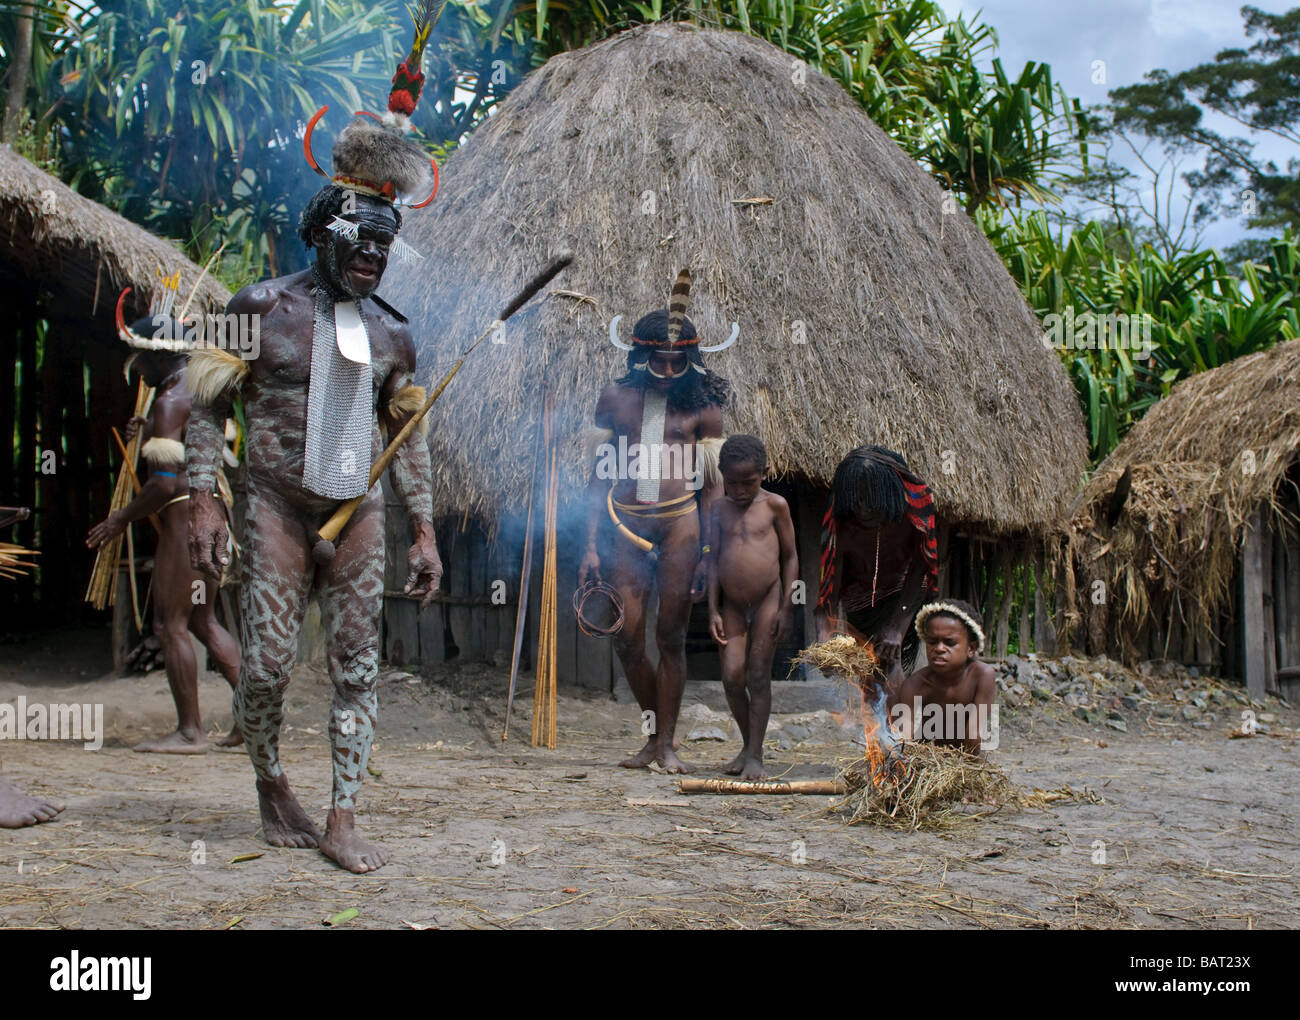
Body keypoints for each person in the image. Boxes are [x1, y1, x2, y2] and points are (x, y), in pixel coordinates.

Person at [184, 10, 444, 873]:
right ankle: (269, 785)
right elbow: (202, 409)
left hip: (359, 507)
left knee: (357, 667)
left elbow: (405, 437)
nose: (374, 259)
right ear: (323, 226)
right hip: (274, 505)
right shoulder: (260, 309)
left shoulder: (395, 337)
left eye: (386, 246)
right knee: (263, 668)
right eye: (361, 242)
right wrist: (203, 500)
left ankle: (342, 815)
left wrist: (427, 528)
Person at [578, 269, 733, 773]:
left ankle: (667, 745)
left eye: (677, 360)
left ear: (690, 359)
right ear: (640, 355)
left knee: (670, 636)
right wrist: (590, 546)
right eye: (659, 359)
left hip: (680, 526)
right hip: (624, 526)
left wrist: (708, 555)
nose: (668, 368)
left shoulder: (705, 406)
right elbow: (597, 477)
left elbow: (712, 490)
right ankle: (651, 736)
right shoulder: (615, 399)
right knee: (626, 635)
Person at [87, 288, 241, 752]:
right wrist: (147, 431)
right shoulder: (193, 391)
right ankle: (255, 720)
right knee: (203, 622)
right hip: (213, 513)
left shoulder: (170, 401)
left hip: (186, 520)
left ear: (159, 359)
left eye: (140, 358)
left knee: (171, 624)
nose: (136, 366)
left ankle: (190, 731)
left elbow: (165, 484)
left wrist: (120, 519)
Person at [706, 435, 797, 780]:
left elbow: (790, 557)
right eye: (732, 482)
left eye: (750, 482)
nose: (741, 490)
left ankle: (755, 754)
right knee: (731, 677)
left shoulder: (776, 506)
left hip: (768, 600)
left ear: (764, 473)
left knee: (758, 675)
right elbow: (714, 559)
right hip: (731, 604)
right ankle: (747, 745)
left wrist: (787, 606)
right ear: (721, 475)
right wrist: (713, 609)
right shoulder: (718, 509)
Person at [814, 445, 938, 688]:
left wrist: (897, 628)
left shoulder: (915, 511)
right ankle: (878, 725)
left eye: (870, 499)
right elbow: (830, 584)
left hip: (902, 593)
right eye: (857, 499)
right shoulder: (841, 519)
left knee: (890, 660)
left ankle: (895, 725)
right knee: (868, 675)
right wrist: (824, 637)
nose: (862, 508)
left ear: (889, 492)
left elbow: (921, 569)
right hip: (858, 599)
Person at [889, 599, 995, 753]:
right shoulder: (916, 684)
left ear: (971, 648)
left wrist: (967, 771)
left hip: (968, 760)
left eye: (949, 643)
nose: (939, 649)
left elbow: (974, 734)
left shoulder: (982, 676)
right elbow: (904, 735)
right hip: (929, 759)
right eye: (932, 642)